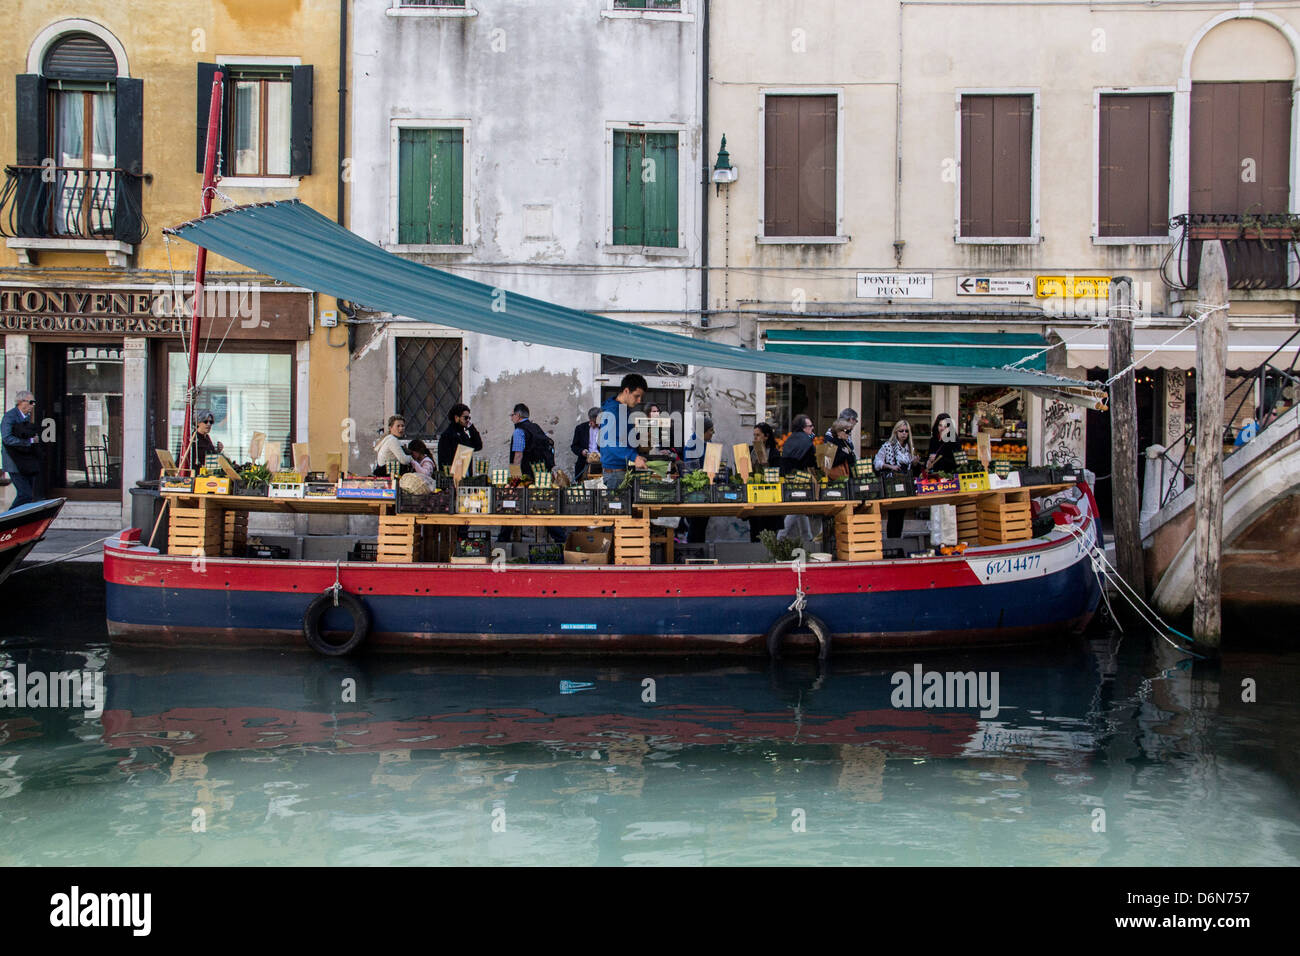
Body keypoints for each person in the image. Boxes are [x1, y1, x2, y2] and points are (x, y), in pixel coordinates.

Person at [598, 374, 648, 490]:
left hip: (621, 471)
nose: (639, 401)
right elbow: (610, 441)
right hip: (615, 474)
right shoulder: (613, 411)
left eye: (641, 397)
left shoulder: (623, 410)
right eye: (637, 396)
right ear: (626, 391)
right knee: (618, 507)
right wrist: (634, 457)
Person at [875, 419, 916, 539]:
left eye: (906, 431)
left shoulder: (909, 447)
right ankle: (892, 541)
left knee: (901, 514)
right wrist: (890, 466)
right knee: (893, 514)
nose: (904, 433)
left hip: (905, 483)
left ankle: (897, 540)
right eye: (901, 431)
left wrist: (914, 462)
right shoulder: (888, 446)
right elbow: (877, 462)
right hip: (892, 483)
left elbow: (910, 466)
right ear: (896, 432)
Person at [2, 390, 41, 508]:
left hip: (25, 461)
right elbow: (6, 438)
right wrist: (29, 441)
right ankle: (7, 520)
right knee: (25, 494)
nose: (33, 405)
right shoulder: (10, 416)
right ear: (21, 402)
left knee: (28, 495)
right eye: (31, 402)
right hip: (14, 461)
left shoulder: (26, 417)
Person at [682, 416, 715, 544]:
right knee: (696, 528)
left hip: (704, 491)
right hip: (696, 494)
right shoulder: (693, 445)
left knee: (700, 528)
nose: (712, 433)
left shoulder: (705, 443)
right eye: (711, 430)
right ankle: (694, 556)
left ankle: (699, 556)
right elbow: (692, 471)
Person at [509, 403, 554, 473]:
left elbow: (518, 454)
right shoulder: (536, 427)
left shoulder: (519, 431)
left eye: (512, 415)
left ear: (518, 415)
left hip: (527, 473)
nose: (511, 418)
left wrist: (515, 473)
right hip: (542, 471)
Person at [437, 403, 482, 470]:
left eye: (469, 418)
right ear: (456, 418)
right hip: (453, 476)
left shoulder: (464, 435)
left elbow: (478, 445)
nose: (468, 420)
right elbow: (446, 460)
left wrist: (471, 428)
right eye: (465, 418)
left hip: (464, 476)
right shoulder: (447, 435)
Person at [570, 406, 601, 480]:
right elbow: (574, 446)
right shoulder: (580, 428)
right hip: (584, 464)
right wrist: (582, 451)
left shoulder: (605, 428)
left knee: (600, 488)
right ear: (590, 418)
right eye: (594, 420)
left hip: (601, 463)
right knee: (584, 488)